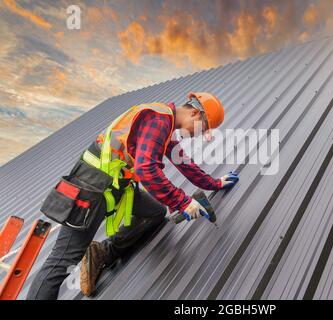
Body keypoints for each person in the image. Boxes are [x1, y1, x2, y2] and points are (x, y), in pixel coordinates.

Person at [26, 92, 239, 300]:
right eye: (203, 128)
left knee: (155, 212)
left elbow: (181, 161)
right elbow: (146, 168)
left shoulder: (164, 123)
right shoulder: (159, 119)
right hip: (90, 189)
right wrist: (182, 201)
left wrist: (213, 183)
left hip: (116, 187)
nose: (199, 134)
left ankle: (103, 252)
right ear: (195, 114)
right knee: (61, 262)